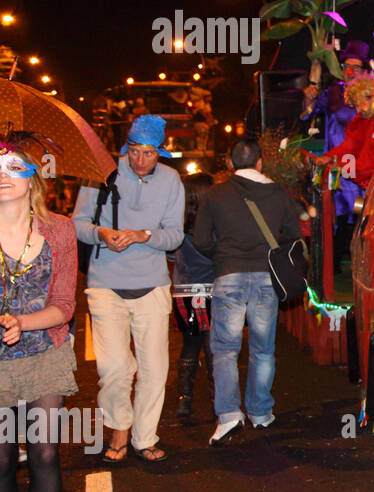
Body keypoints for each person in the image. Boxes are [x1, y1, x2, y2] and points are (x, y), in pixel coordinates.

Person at [73, 115, 184, 464]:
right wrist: (102, 234)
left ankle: (144, 436)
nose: (140, 160)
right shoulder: (102, 173)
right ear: (126, 149)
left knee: (154, 368)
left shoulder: (171, 180)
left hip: (151, 284)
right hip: (105, 283)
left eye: (149, 153)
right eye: (134, 151)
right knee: (115, 368)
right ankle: (119, 430)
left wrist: (143, 236)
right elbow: (78, 223)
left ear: (160, 153)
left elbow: (175, 235)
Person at [0, 143, 78, 492]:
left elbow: (65, 307)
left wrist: (23, 323)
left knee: (45, 455)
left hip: (46, 355)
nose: (3, 176)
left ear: (32, 176)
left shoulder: (59, 230)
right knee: (2, 462)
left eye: (13, 167)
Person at [194, 139, 304, 444]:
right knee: (263, 349)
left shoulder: (215, 194)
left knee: (226, 350)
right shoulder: (279, 193)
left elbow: (200, 239)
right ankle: (260, 412)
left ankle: (229, 415)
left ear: (231, 163)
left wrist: (223, 255)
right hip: (267, 277)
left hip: (228, 276)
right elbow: (294, 236)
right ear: (260, 163)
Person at [313, 72, 374, 192]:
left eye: (360, 105)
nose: (358, 110)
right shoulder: (363, 120)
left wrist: (342, 167)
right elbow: (350, 146)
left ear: (373, 98)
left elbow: (372, 164)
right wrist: (330, 157)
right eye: (355, 106)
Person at [171, 173, 215, 420]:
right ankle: (216, 399)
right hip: (210, 290)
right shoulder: (210, 225)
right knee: (212, 347)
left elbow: (169, 255)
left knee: (189, 345)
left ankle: (183, 400)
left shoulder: (177, 224)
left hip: (184, 291)